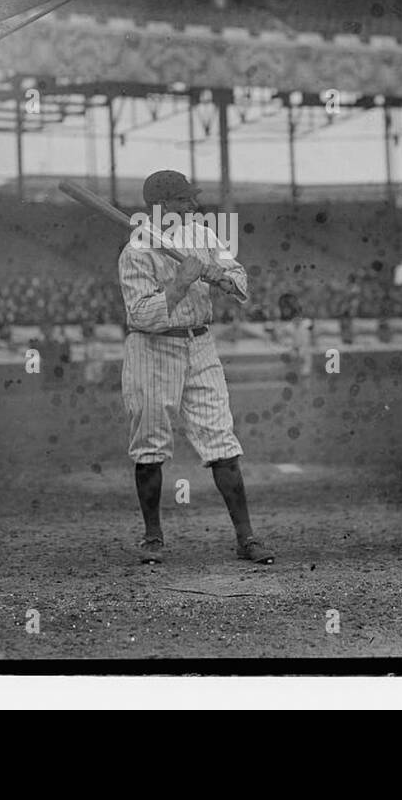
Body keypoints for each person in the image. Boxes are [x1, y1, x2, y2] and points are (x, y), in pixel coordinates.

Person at [118, 170, 274, 565]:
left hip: (200, 344)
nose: (193, 205)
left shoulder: (204, 235)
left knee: (222, 442)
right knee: (150, 446)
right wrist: (181, 283)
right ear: (163, 205)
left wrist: (225, 278)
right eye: (184, 200)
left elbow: (239, 276)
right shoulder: (136, 250)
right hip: (153, 349)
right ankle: (153, 537)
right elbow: (142, 315)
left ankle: (246, 538)